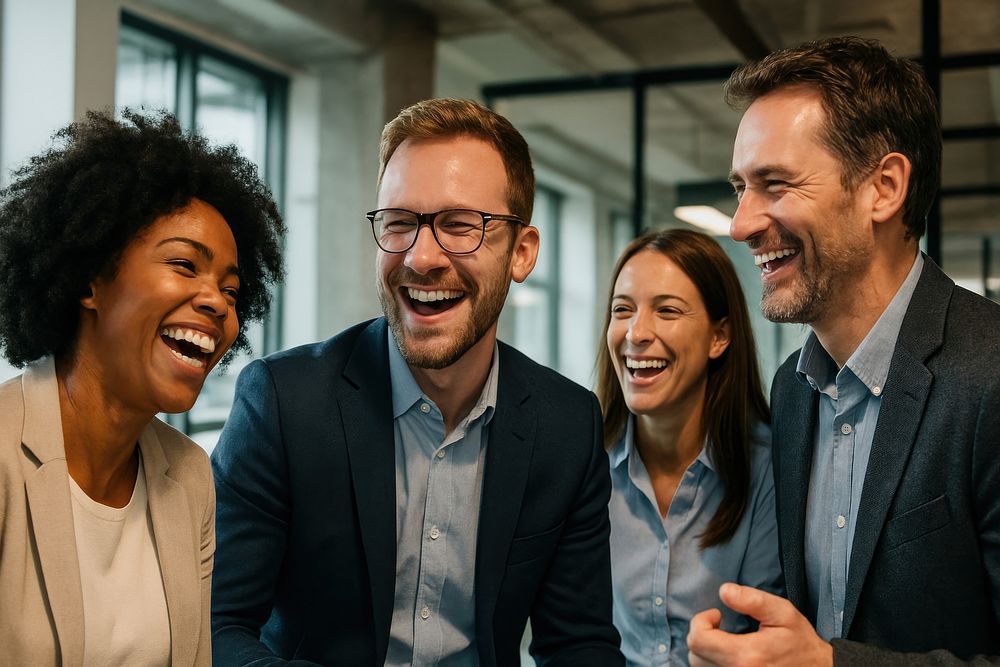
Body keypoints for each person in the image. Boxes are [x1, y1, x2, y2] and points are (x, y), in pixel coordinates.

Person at [210, 98, 624, 666]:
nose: (421, 257)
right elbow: (217, 625)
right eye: (399, 222)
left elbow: (579, 646)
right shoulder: (283, 402)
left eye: (460, 226)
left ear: (521, 252)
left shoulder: (566, 425)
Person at [686, 36, 1000, 666]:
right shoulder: (794, 390)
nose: (742, 223)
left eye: (774, 184)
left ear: (882, 188)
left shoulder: (989, 375)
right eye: (740, 188)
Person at [0, 109, 285, 665]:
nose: (217, 303)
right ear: (90, 279)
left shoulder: (190, 475)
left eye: (231, 290)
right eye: (184, 264)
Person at [596, 228, 782, 666]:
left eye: (667, 311)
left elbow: (767, 633)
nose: (636, 333)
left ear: (719, 337)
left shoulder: (768, 467)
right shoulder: (586, 465)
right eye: (623, 310)